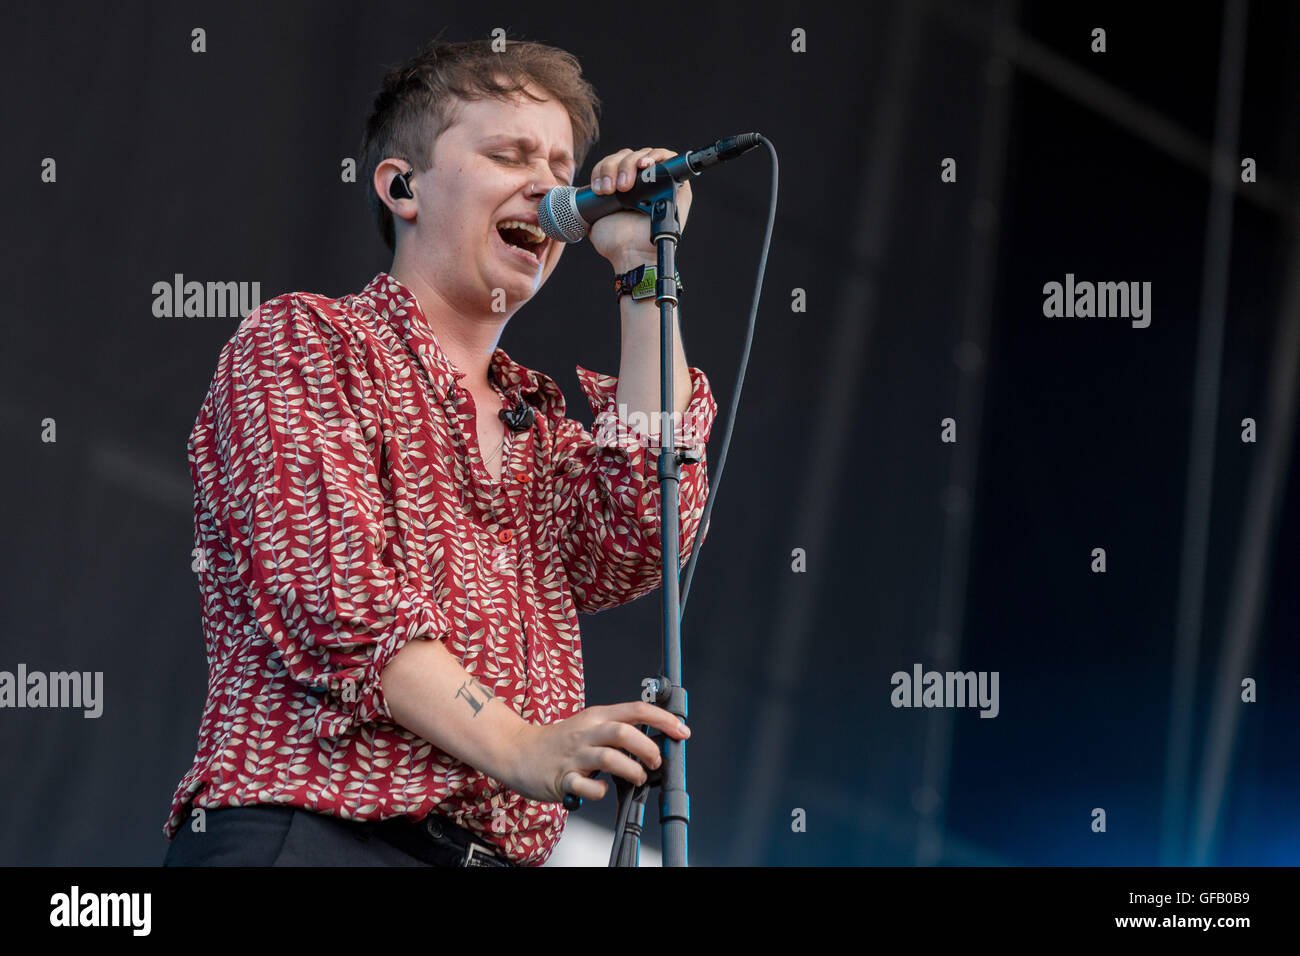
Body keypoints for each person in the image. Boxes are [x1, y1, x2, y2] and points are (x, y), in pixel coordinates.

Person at [162, 36, 715, 867]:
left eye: (562, 164)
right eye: (509, 154)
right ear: (403, 185)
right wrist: (523, 745)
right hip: (314, 835)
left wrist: (641, 269)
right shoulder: (308, 343)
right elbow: (337, 599)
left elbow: (641, 538)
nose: (548, 184)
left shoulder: (543, 434)